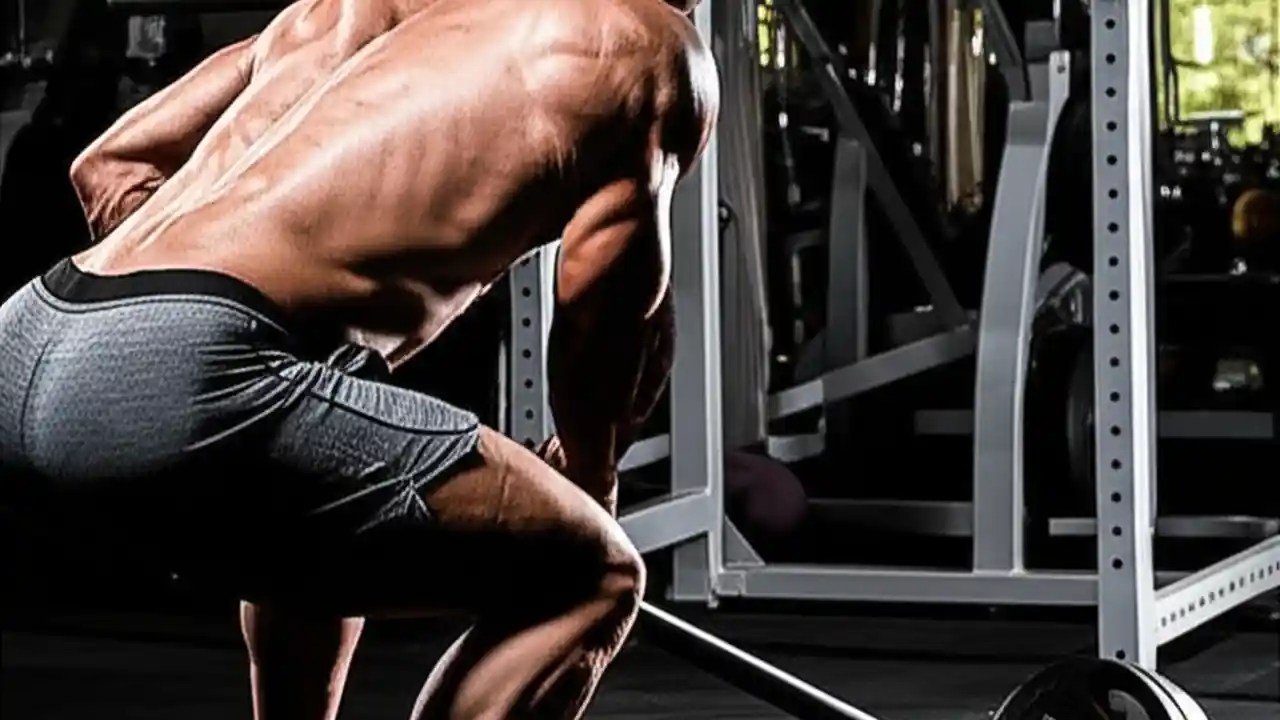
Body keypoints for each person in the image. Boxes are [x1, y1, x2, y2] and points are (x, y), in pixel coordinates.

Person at [0, 0, 719, 716]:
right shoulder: (650, 46)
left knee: (314, 519)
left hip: (30, 329)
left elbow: (109, 164)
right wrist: (593, 478)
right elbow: (603, 310)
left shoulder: (347, 12)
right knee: (592, 574)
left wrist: (141, 343)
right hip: (187, 362)